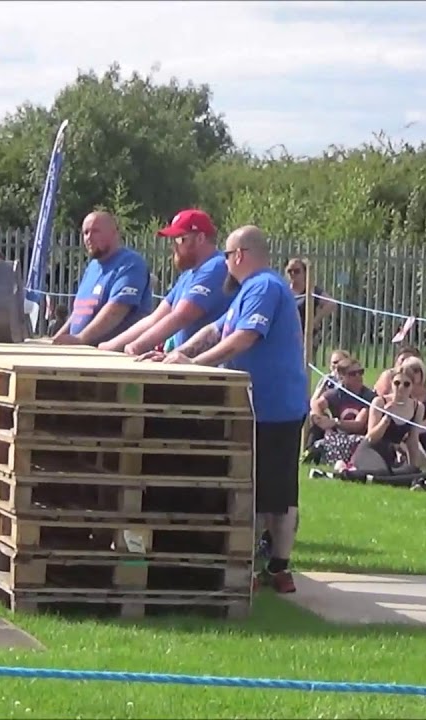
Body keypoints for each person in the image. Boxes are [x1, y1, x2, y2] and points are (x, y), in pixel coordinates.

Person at [145, 226, 308, 594]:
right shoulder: (247, 291)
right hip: (256, 406)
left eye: (227, 255)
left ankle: (275, 568)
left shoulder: (265, 287)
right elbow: (218, 330)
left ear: (239, 254)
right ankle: (252, 563)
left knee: (273, 494)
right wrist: (178, 353)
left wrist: (197, 363)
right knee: (251, 486)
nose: (223, 262)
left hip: (275, 408)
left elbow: (244, 337)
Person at [101, 209, 230, 357]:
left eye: (180, 239)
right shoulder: (190, 274)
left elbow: (181, 316)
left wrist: (137, 346)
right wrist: (110, 346)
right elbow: (155, 318)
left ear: (200, 238)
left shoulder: (215, 267)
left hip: (205, 370)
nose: (173, 246)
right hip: (187, 366)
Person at [49, 212, 151, 346]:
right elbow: (79, 313)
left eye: (95, 231)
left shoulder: (131, 264)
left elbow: (116, 310)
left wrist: (81, 338)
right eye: (85, 233)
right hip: (83, 352)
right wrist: (57, 339)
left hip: (112, 357)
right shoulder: (92, 267)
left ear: (115, 233)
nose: (89, 238)